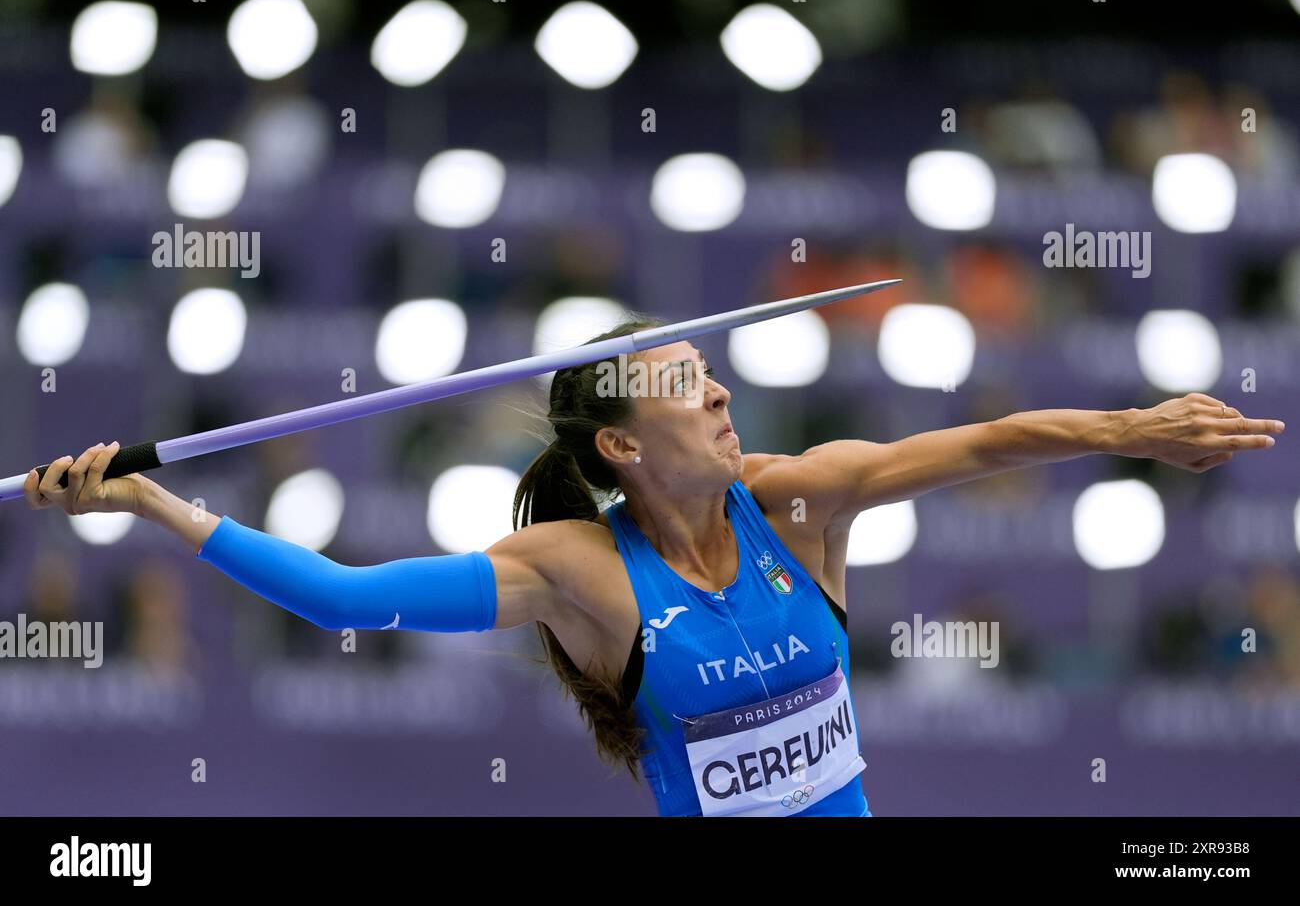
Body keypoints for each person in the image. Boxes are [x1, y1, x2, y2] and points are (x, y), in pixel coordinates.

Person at [22, 317, 1285, 816]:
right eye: (691, 384)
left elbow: (983, 441)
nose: (723, 388)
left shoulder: (796, 502)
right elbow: (347, 594)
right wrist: (155, 506)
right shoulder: (580, 568)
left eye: (713, 369)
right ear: (624, 441)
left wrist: (1128, 428)